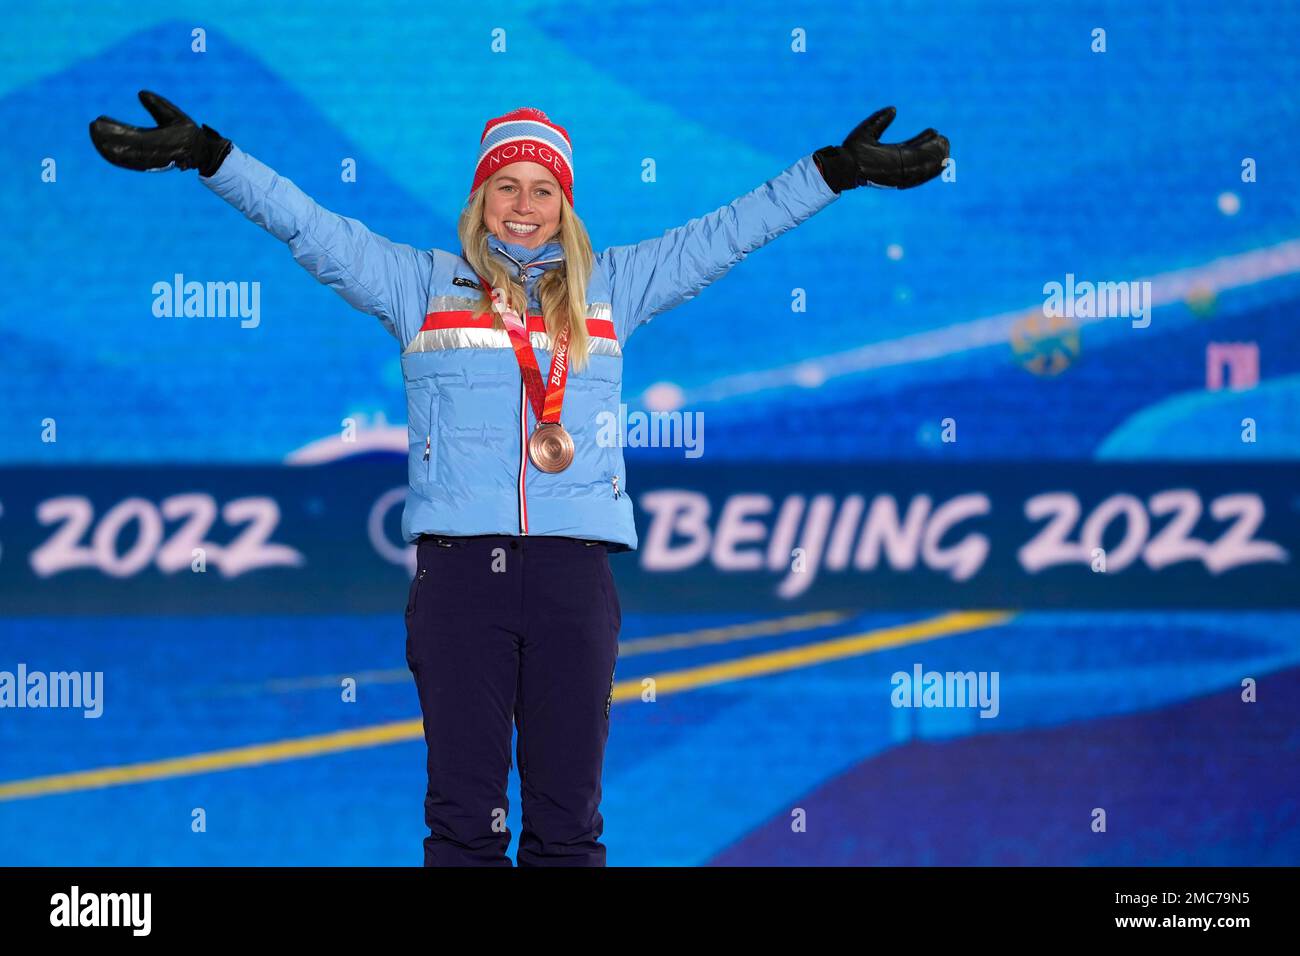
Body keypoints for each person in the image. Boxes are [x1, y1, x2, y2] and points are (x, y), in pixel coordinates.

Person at [88, 92, 949, 866]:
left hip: (575, 576)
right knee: (464, 821)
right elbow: (309, 225)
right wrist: (210, 155)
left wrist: (832, 171)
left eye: (543, 189)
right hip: (461, 577)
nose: (525, 206)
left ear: (564, 203)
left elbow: (729, 232)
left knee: (568, 825)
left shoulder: (616, 285)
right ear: (481, 199)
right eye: (507, 187)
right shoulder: (416, 283)